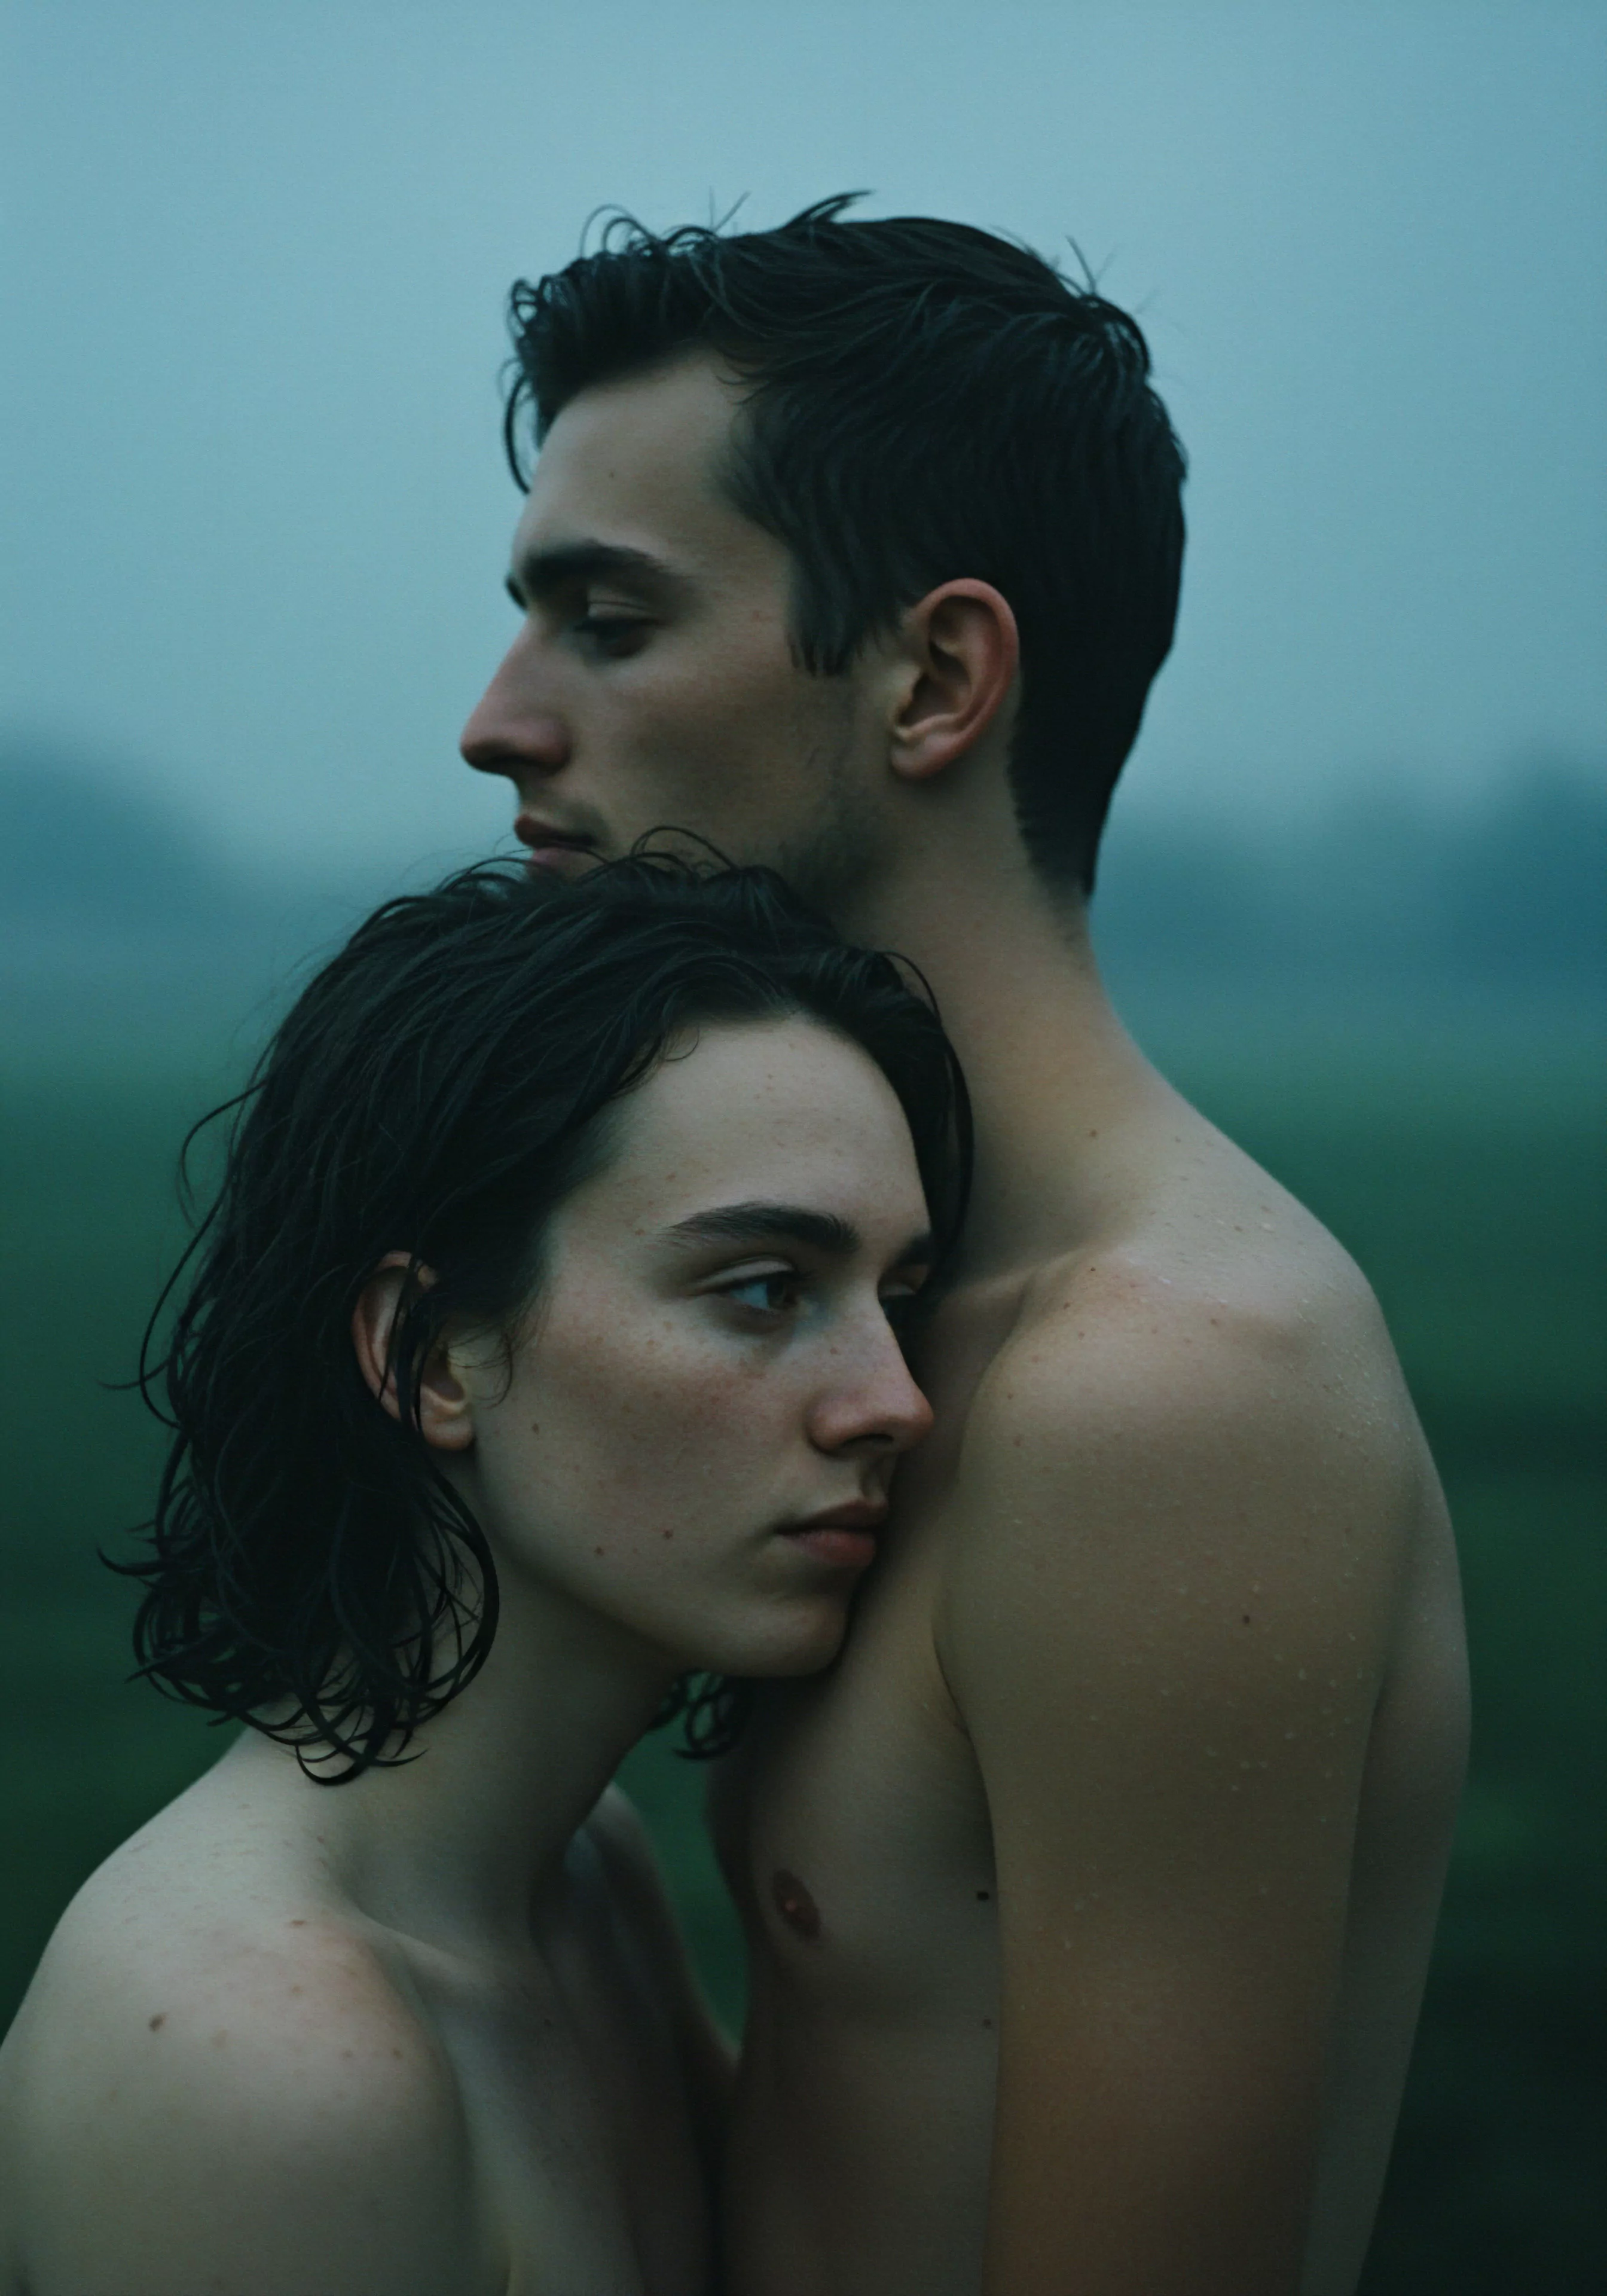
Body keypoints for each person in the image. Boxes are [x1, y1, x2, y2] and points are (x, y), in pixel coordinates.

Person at [459, 200, 1472, 2296]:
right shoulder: (874, 1326)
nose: (498, 718)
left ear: (932, 676)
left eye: (608, 620)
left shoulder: (1162, 1398)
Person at [0, 857, 969, 2296]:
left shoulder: (583, 1881)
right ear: (430, 1354)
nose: (894, 1400)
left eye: (897, 1301)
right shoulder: (265, 2055)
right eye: (764, 1288)